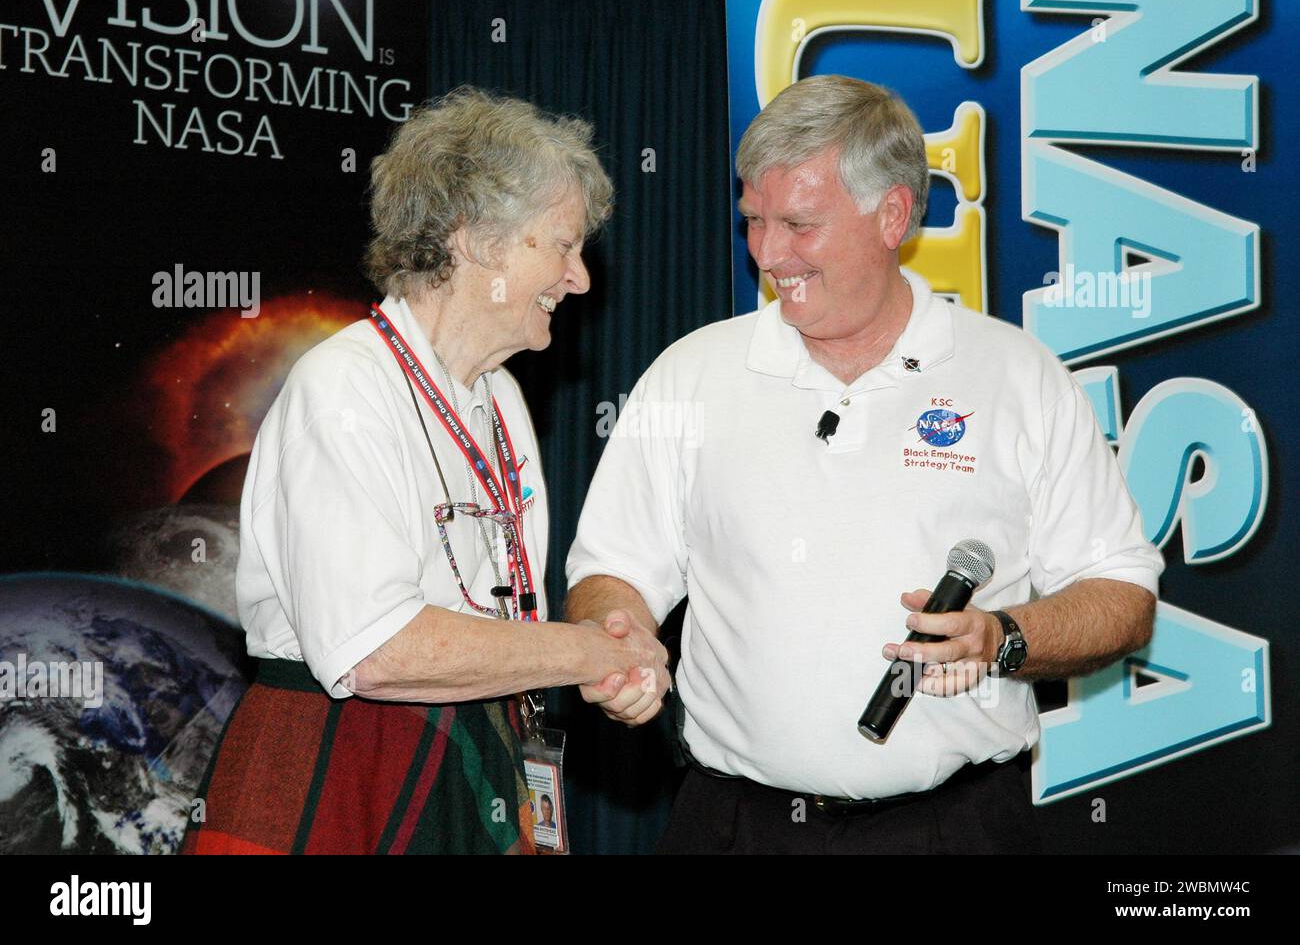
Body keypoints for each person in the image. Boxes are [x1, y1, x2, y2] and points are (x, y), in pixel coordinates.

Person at [565, 75, 1163, 854]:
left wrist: (1001, 638)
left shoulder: (1016, 376)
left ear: (893, 216)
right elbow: (614, 570)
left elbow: (1122, 594)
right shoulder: (692, 374)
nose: (769, 254)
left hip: (956, 828)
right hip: (734, 827)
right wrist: (617, 638)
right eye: (754, 221)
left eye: (800, 225)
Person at [183, 86, 669, 855]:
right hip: (341, 765)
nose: (579, 278)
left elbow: (500, 616)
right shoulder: (345, 386)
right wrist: (586, 652)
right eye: (561, 244)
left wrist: (599, 660)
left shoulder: (500, 394)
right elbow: (375, 650)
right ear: (476, 240)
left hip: (474, 744)